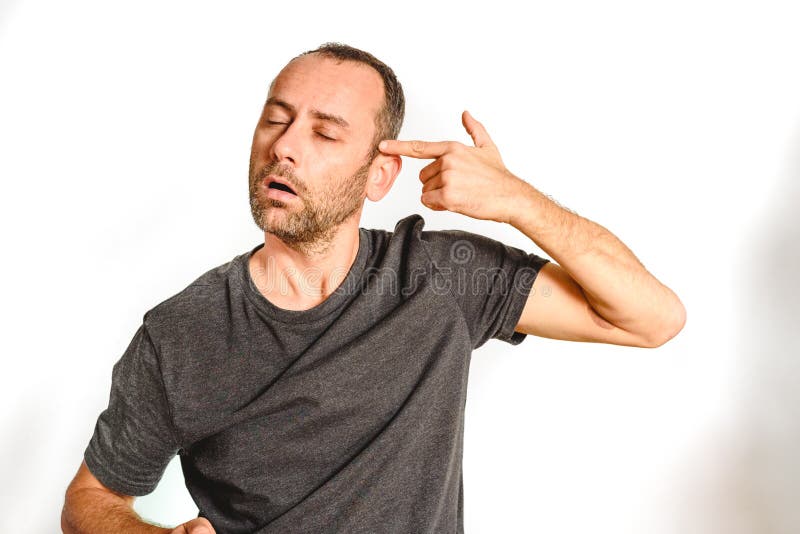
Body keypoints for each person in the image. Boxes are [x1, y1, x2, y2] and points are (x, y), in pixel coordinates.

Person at [61, 42, 686, 534]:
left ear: (379, 175)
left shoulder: (439, 276)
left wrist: (517, 202)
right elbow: (90, 497)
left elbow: (650, 318)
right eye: (275, 121)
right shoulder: (182, 331)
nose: (283, 147)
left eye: (324, 133)